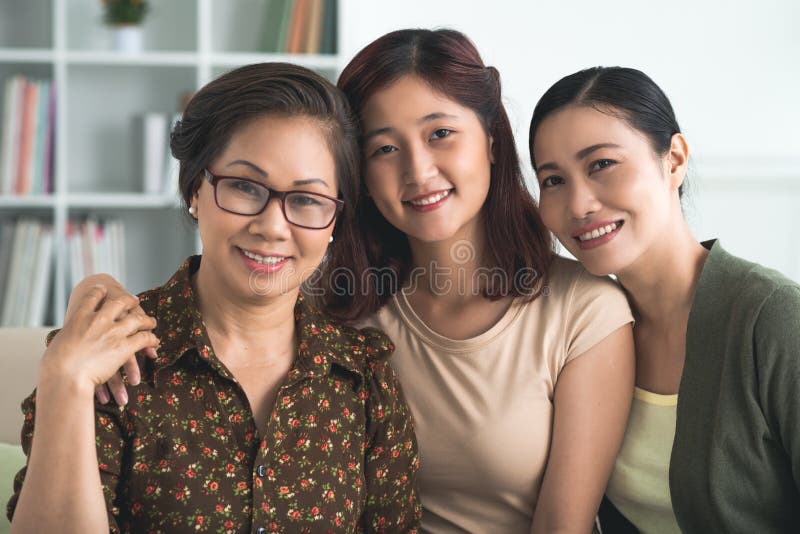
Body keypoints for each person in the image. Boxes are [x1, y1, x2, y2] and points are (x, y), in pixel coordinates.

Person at [65, 30, 635, 533]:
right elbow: (216, 307)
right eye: (384, 147)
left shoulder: (583, 311)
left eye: (440, 133)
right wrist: (95, 300)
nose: (417, 170)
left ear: (490, 138)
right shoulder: (334, 306)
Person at [7, 63, 421, 533]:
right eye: (245, 187)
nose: (272, 226)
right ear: (194, 192)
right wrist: (65, 379)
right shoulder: (103, 359)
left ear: (335, 225)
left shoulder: (364, 376)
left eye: (307, 199)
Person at [529, 66, 800, 533]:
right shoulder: (587, 327)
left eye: (601, 165)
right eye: (553, 180)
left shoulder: (770, 315)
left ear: (673, 159)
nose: (578, 205)